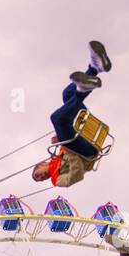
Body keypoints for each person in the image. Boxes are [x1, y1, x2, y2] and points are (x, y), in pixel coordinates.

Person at [30, 41, 111, 188]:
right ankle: (82, 91)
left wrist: (61, 140)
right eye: (41, 180)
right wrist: (68, 148)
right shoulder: (57, 180)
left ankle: (95, 67)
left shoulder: (57, 154)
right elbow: (77, 174)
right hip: (85, 151)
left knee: (67, 94)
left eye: (38, 174)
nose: (42, 177)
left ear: (41, 164)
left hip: (82, 135)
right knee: (57, 119)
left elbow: (67, 137)